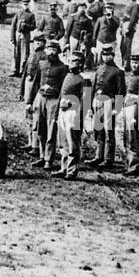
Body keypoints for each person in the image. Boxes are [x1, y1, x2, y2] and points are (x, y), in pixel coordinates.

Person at [32, 40, 66, 171]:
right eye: (49, 49)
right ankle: (41, 155)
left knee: (51, 130)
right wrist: (30, 101)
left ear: (58, 51)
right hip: (40, 98)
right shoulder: (41, 64)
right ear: (45, 50)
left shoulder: (62, 67)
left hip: (54, 100)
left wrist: (59, 100)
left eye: (54, 50)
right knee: (40, 128)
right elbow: (36, 83)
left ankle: (48, 159)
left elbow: (63, 88)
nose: (51, 52)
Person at [91, 44, 125, 169]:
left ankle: (108, 159)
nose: (106, 57)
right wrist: (91, 105)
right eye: (104, 55)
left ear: (113, 56)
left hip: (109, 102)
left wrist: (117, 107)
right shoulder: (99, 69)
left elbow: (121, 91)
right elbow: (94, 87)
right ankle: (98, 156)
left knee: (108, 131)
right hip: (97, 100)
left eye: (108, 55)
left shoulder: (117, 71)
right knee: (98, 129)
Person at [58, 48, 90, 179]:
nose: (71, 63)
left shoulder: (84, 79)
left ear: (80, 63)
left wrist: (79, 116)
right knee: (63, 140)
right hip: (63, 111)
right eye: (70, 61)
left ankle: (71, 170)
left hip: (73, 113)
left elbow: (86, 100)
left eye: (74, 61)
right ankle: (64, 167)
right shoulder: (68, 75)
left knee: (73, 142)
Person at [10, 0, 36, 77]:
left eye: (27, 4)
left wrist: (26, 26)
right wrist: (12, 37)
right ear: (22, 5)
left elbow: (33, 26)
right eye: (24, 4)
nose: (25, 6)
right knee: (16, 53)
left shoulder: (31, 15)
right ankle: (15, 70)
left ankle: (23, 71)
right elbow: (13, 25)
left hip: (26, 35)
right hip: (18, 35)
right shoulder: (18, 13)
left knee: (25, 54)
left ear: (29, 5)